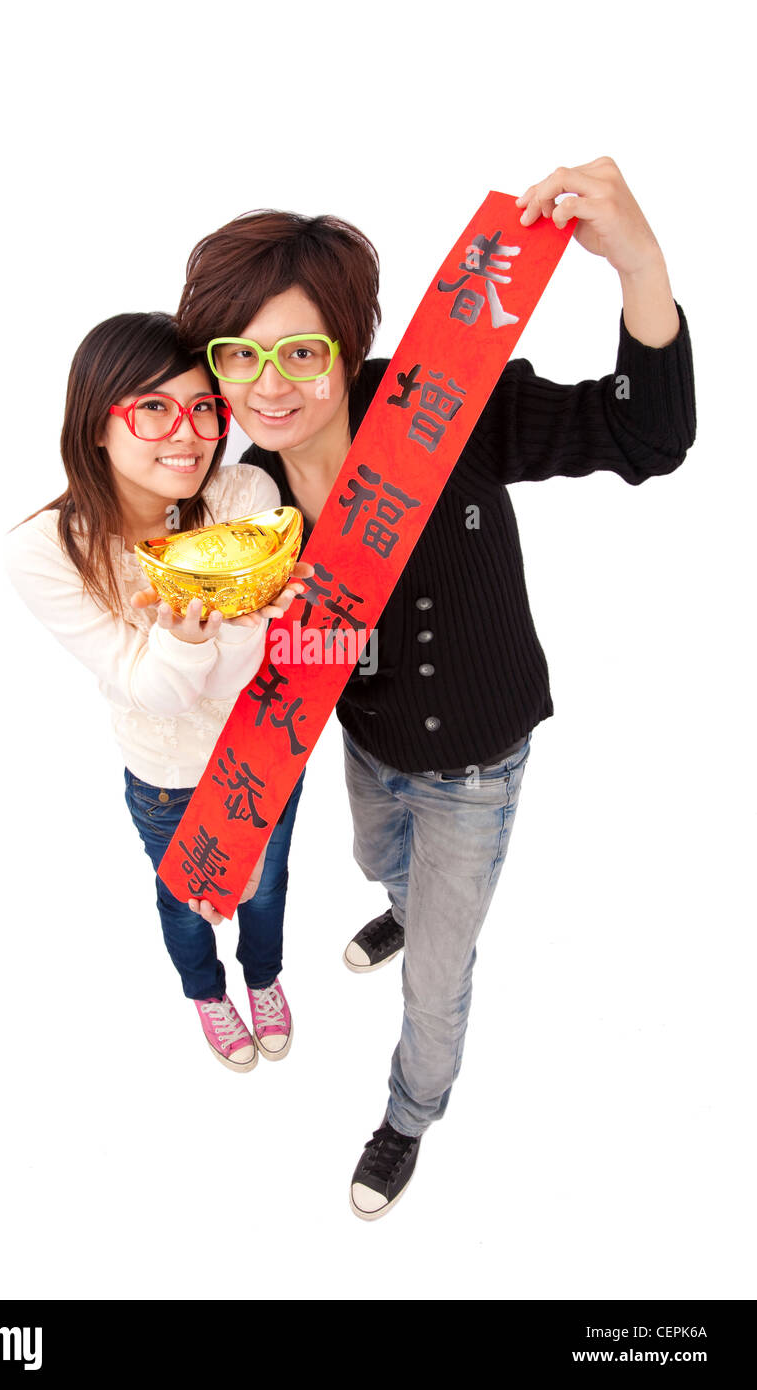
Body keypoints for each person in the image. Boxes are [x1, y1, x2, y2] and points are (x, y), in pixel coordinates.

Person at [168, 158, 697, 1218]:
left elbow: (647, 437)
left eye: (301, 352)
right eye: (240, 357)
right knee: (376, 859)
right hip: (365, 742)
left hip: (479, 756)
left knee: (437, 978)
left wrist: (638, 263)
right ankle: (402, 904)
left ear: (350, 342)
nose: (269, 384)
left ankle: (409, 1115)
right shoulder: (235, 488)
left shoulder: (439, 406)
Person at [4, 312, 312, 1073]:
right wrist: (196, 629)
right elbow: (154, 693)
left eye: (205, 406)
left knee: (265, 889)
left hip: (265, 750)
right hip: (167, 774)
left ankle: (265, 977)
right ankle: (207, 992)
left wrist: (227, 626)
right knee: (185, 901)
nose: (191, 431)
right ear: (96, 424)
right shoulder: (45, 551)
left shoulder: (243, 491)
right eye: (154, 407)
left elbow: (241, 676)